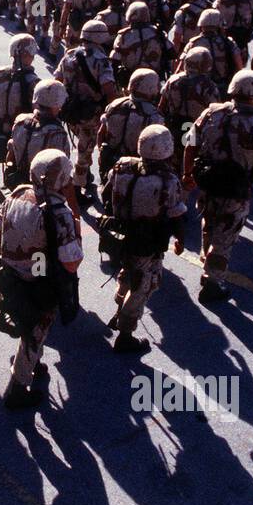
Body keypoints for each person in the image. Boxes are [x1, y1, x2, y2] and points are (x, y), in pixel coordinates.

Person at [0, 150, 83, 408]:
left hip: (10, 273)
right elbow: (71, 261)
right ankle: (18, 387)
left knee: (28, 321)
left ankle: (33, 361)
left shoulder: (17, 194)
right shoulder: (60, 212)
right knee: (37, 327)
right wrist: (76, 233)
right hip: (39, 280)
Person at [183, 69, 253, 304]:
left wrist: (187, 174)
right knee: (225, 238)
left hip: (208, 181)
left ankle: (208, 266)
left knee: (208, 222)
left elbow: (189, 144)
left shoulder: (211, 112)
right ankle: (212, 283)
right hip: (235, 188)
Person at [105, 125, 186, 353]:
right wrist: (180, 238)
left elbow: (106, 191)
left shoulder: (122, 165)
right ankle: (125, 333)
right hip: (146, 241)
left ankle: (119, 307)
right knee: (145, 284)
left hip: (119, 234)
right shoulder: (168, 179)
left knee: (128, 271)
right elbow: (176, 214)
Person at [54, 19, 117, 199]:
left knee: (83, 144)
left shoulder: (69, 54)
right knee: (85, 149)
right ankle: (76, 186)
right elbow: (108, 89)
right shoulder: (101, 60)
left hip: (71, 110)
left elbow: (57, 80)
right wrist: (112, 111)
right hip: (91, 113)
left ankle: (84, 175)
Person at [97, 67, 164, 188]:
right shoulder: (154, 116)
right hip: (136, 167)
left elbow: (101, 133)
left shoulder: (114, 105)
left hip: (111, 159)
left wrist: (102, 155)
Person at [4, 78, 73, 194]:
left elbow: (11, 153)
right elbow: (61, 170)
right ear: (58, 103)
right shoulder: (57, 134)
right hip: (44, 189)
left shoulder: (20, 121)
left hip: (20, 180)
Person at [158, 46, 220, 171]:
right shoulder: (208, 85)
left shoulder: (172, 80)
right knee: (191, 159)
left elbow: (161, 106)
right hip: (194, 128)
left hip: (174, 124)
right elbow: (215, 112)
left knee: (173, 160)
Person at [0, 35, 40, 164]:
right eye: (31, 53)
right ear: (25, 54)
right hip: (21, 134)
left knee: (5, 161)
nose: (33, 56)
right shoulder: (33, 81)